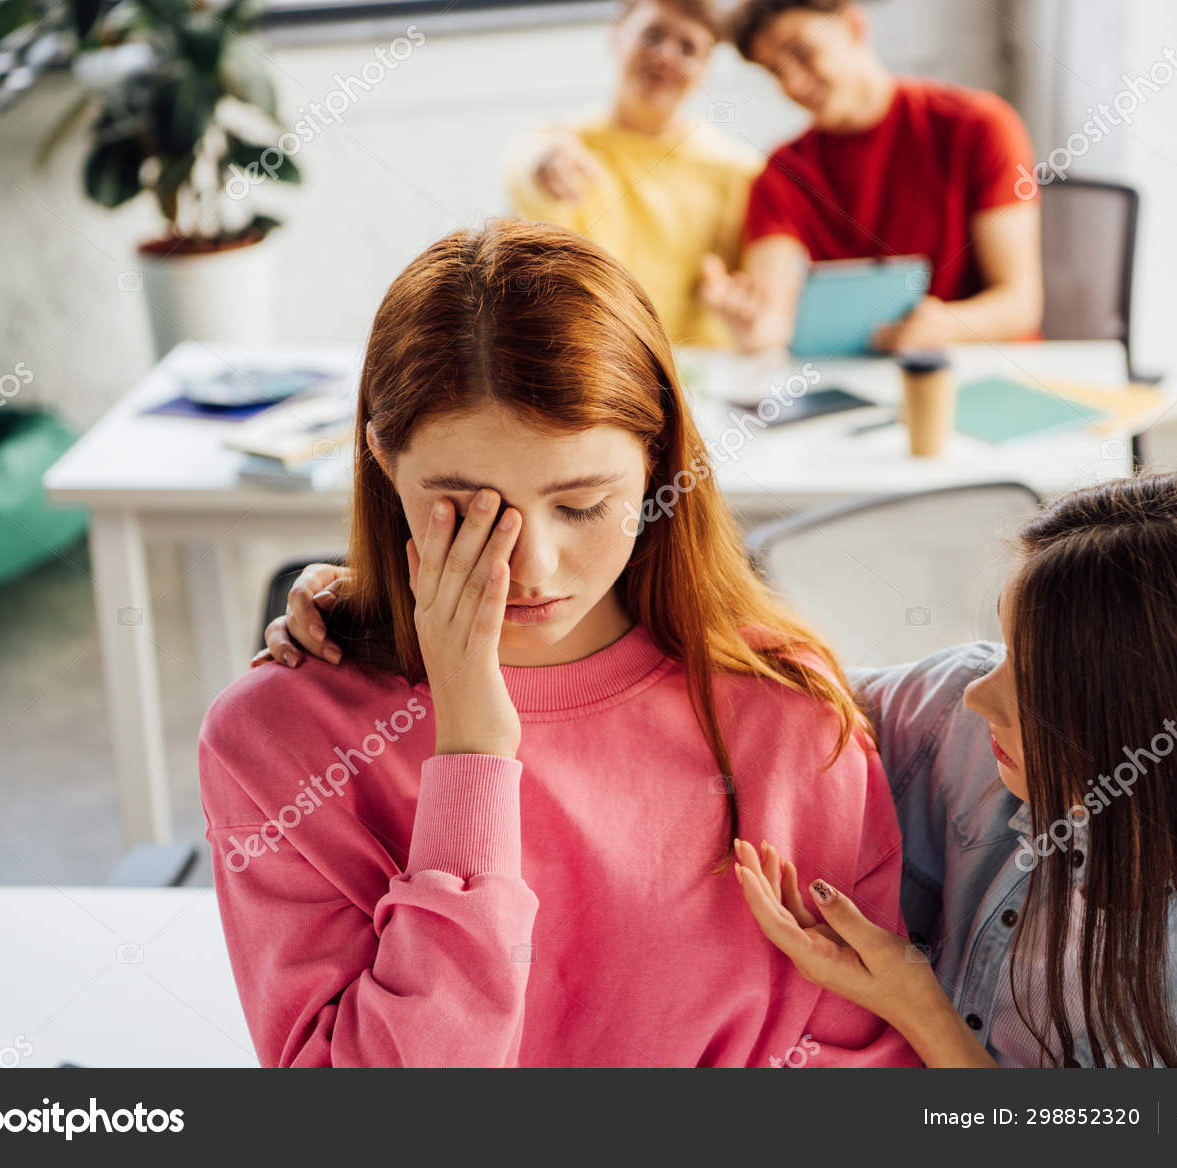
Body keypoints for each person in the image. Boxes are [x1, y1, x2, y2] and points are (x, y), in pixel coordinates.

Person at [199, 219, 920, 1067]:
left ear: (658, 462)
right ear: (381, 460)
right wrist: (470, 755)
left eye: (581, 504)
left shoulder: (789, 712)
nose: (531, 566)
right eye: (467, 506)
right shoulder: (275, 741)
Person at [734, 469, 1177, 1067]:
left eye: (1042, 691)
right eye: (1007, 646)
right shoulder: (959, 716)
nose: (984, 693)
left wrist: (918, 1007)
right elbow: (763, 694)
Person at [698, 0, 1043, 354]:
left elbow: (1020, 303)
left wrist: (950, 326)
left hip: (988, 370)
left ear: (854, 26)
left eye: (800, 52)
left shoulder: (980, 126)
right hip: (872, 384)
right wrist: (757, 327)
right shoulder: (782, 173)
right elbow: (774, 304)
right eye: (775, 70)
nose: (794, 83)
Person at [503, 0, 762, 348]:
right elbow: (527, 176)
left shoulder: (736, 171)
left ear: (705, 70)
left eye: (688, 47)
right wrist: (541, 166)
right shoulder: (560, 147)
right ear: (616, 38)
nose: (666, 56)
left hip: (700, 372)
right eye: (653, 35)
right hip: (595, 366)